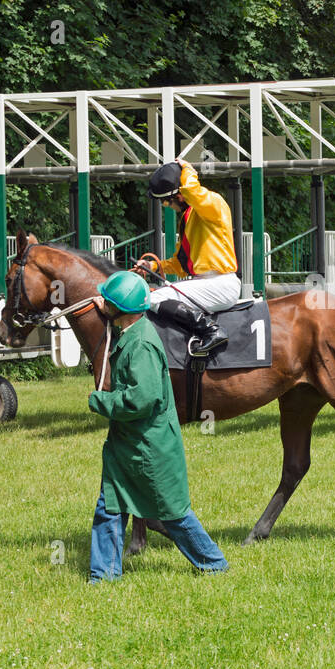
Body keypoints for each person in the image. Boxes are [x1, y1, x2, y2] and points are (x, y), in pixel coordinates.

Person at [87, 270, 228, 580]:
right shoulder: (132, 330)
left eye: (107, 301)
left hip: (148, 450)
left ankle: (214, 564)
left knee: (174, 513)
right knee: (109, 508)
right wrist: (107, 310)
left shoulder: (141, 345)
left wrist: (100, 402)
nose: (103, 303)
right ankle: (104, 576)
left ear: (119, 309)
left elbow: (142, 399)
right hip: (128, 448)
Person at [134, 158, 241, 355]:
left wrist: (188, 168)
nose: (166, 205)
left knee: (152, 298)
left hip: (221, 283)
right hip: (205, 283)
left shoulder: (213, 203)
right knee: (158, 292)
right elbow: (180, 265)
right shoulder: (188, 217)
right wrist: (153, 266)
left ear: (179, 195)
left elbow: (192, 191)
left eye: (166, 201)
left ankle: (211, 330)